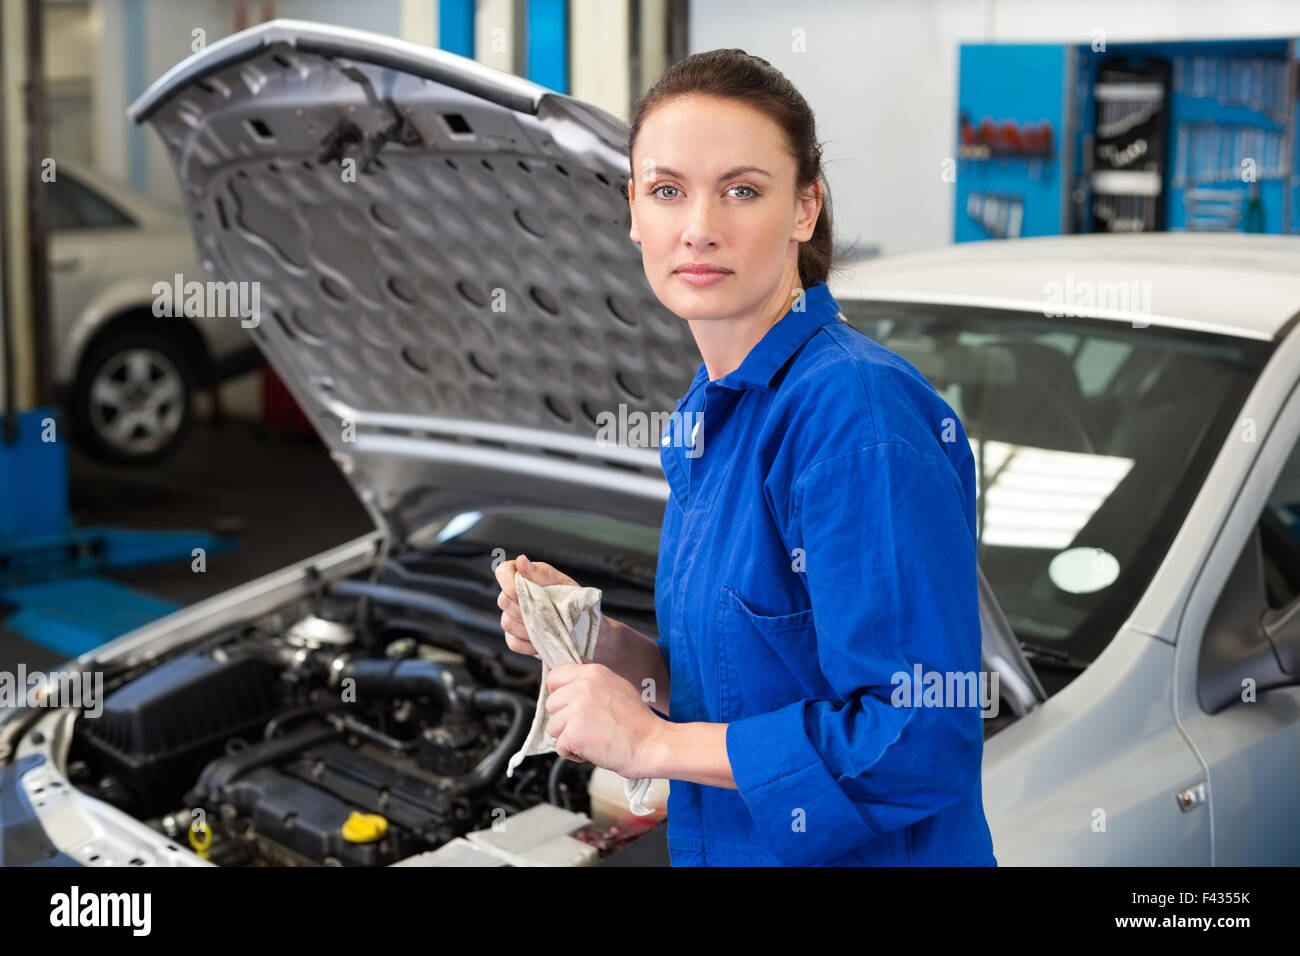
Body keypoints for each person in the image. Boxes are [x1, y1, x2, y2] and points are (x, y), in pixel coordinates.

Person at [494, 48, 997, 867]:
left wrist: (651, 745)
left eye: (742, 190)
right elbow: (746, 685)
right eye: (666, 190)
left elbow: (918, 734)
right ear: (632, 211)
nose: (699, 227)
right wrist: (611, 649)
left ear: (805, 208)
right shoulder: (714, 414)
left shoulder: (855, 416)